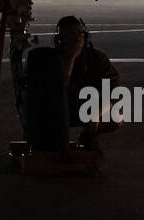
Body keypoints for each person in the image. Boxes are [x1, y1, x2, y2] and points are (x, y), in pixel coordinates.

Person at [22, 15, 121, 152]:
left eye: (80, 34)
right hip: (58, 108)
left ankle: (88, 136)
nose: (77, 39)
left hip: (89, 106)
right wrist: (71, 57)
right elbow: (59, 87)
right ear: (60, 40)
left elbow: (112, 90)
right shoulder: (52, 60)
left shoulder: (96, 59)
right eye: (71, 35)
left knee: (117, 114)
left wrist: (95, 116)